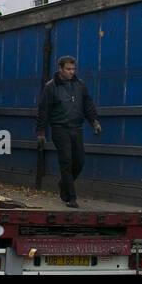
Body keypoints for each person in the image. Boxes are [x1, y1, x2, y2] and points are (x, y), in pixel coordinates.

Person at [36, 55, 101, 208]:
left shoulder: (80, 85)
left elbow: (88, 105)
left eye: (73, 69)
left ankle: (64, 184)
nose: (71, 72)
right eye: (68, 69)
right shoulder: (51, 87)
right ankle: (71, 197)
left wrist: (94, 121)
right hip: (60, 128)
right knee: (66, 161)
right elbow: (43, 111)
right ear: (60, 69)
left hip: (76, 128)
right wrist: (41, 132)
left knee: (79, 161)